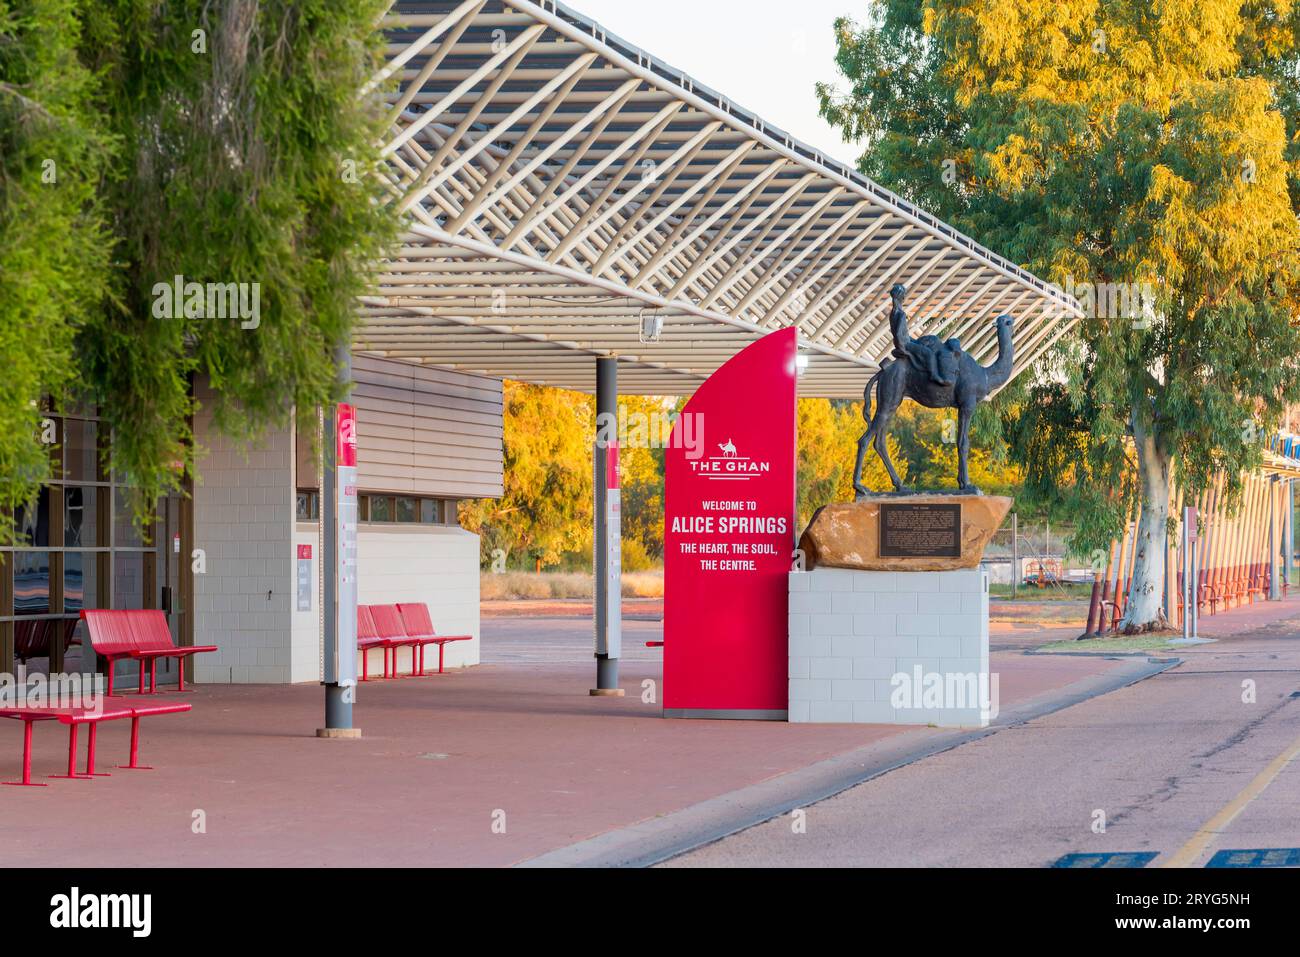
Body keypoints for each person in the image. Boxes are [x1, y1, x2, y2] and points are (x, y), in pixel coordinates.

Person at [887, 283, 961, 387]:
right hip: (904, 343)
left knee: (928, 342)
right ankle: (934, 375)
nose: (904, 297)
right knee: (928, 353)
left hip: (905, 341)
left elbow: (900, 333)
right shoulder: (900, 314)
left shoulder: (894, 312)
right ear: (901, 297)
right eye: (904, 295)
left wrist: (912, 341)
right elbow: (899, 333)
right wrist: (902, 346)